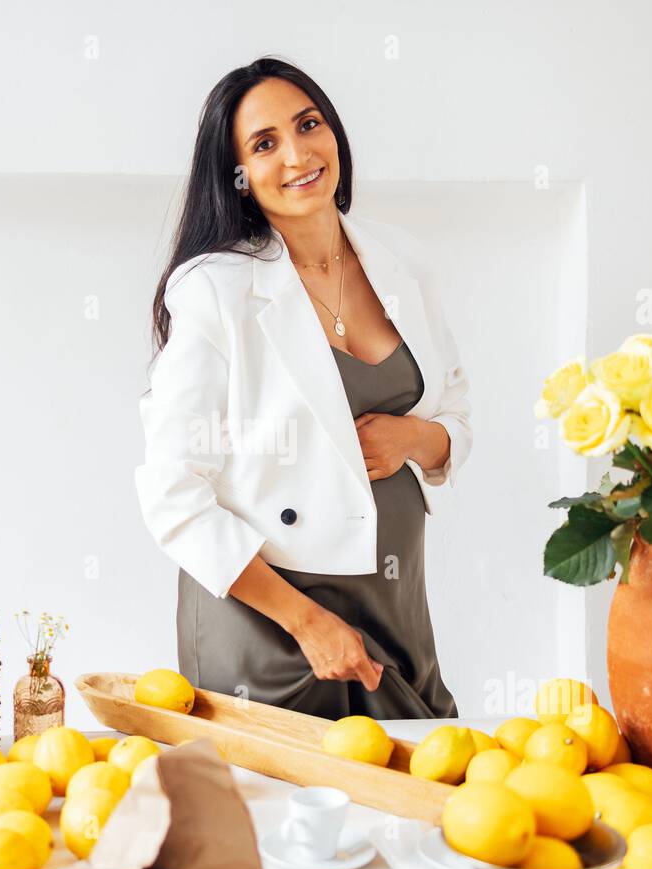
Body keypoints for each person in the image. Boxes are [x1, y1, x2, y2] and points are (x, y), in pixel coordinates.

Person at [135, 57, 473, 719]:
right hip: (268, 623)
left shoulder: (401, 259)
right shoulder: (215, 290)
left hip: (393, 604)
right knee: (278, 814)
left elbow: (456, 414)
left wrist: (421, 438)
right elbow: (173, 492)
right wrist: (306, 622)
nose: (297, 154)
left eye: (308, 124)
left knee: (421, 806)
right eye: (264, 145)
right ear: (236, 177)